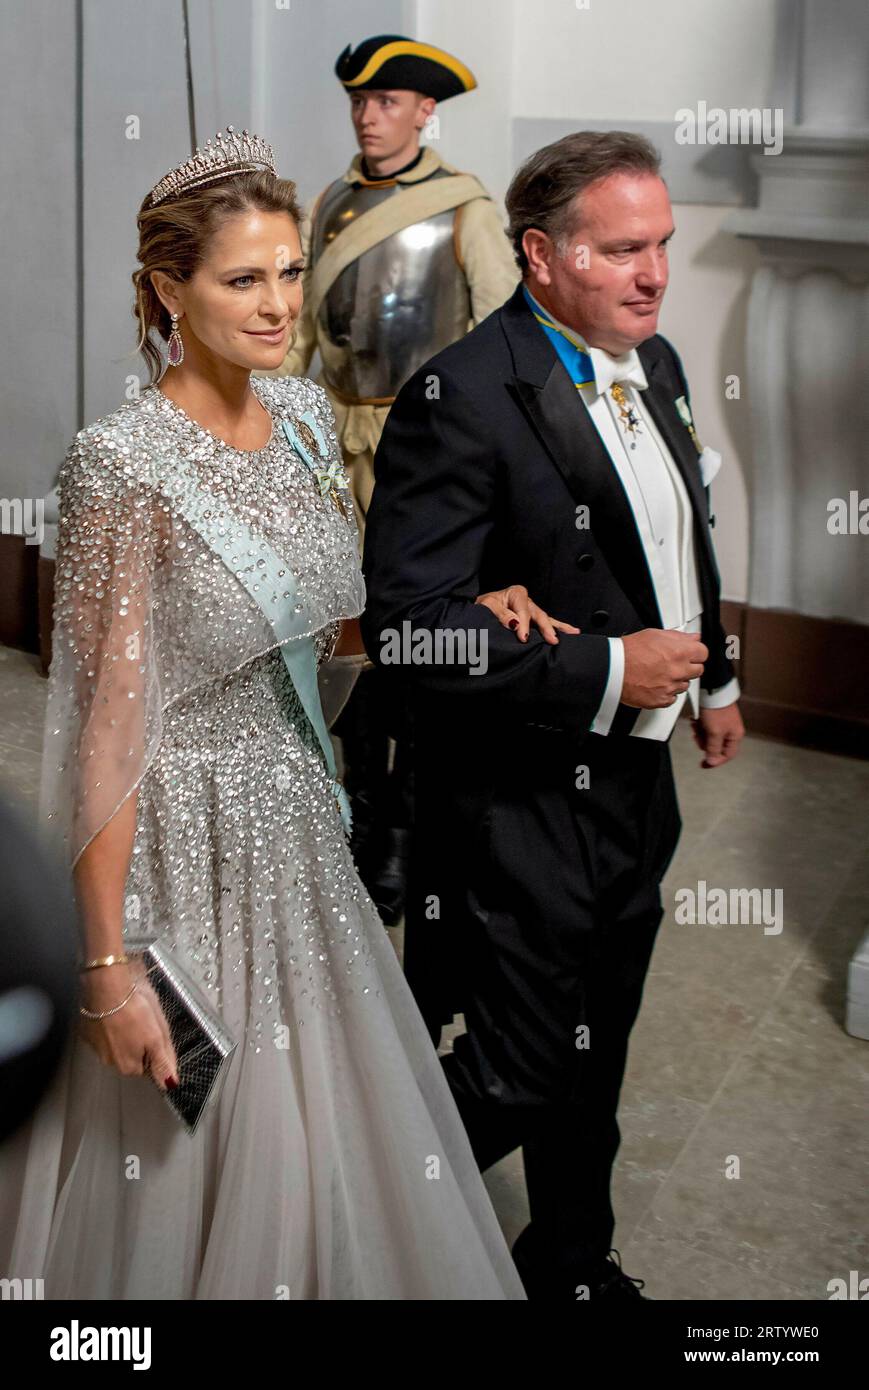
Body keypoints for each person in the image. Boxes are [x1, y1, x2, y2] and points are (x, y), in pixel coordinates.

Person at [0, 127, 525, 1301]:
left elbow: (324, 622)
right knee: (189, 1144)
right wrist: (105, 965)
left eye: (291, 270)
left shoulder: (297, 414)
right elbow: (107, 726)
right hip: (178, 837)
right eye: (244, 278)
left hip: (293, 818)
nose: (281, 302)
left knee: (314, 1122)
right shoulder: (116, 465)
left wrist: (465, 602)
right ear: (165, 291)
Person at [361, 130, 745, 1300]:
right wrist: (597, 671)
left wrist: (712, 681)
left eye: (661, 246)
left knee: (598, 1049)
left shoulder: (658, 363)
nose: (652, 274)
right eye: (619, 250)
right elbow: (406, 624)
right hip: (513, 793)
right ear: (538, 254)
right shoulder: (463, 396)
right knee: (521, 1069)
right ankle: (348, 1216)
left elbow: (677, 541)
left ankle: (572, 1261)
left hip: (633, 788)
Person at [260, 34, 519, 924]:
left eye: (389, 101)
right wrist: (270, 424)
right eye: (360, 102)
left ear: (424, 111)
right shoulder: (329, 201)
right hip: (336, 440)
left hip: (429, 447)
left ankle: (405, 829)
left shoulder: (466, 209)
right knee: (344, 623)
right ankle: (355, 802)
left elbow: (502, 336)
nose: (370, 116)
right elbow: (298, 333)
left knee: (416, 627)